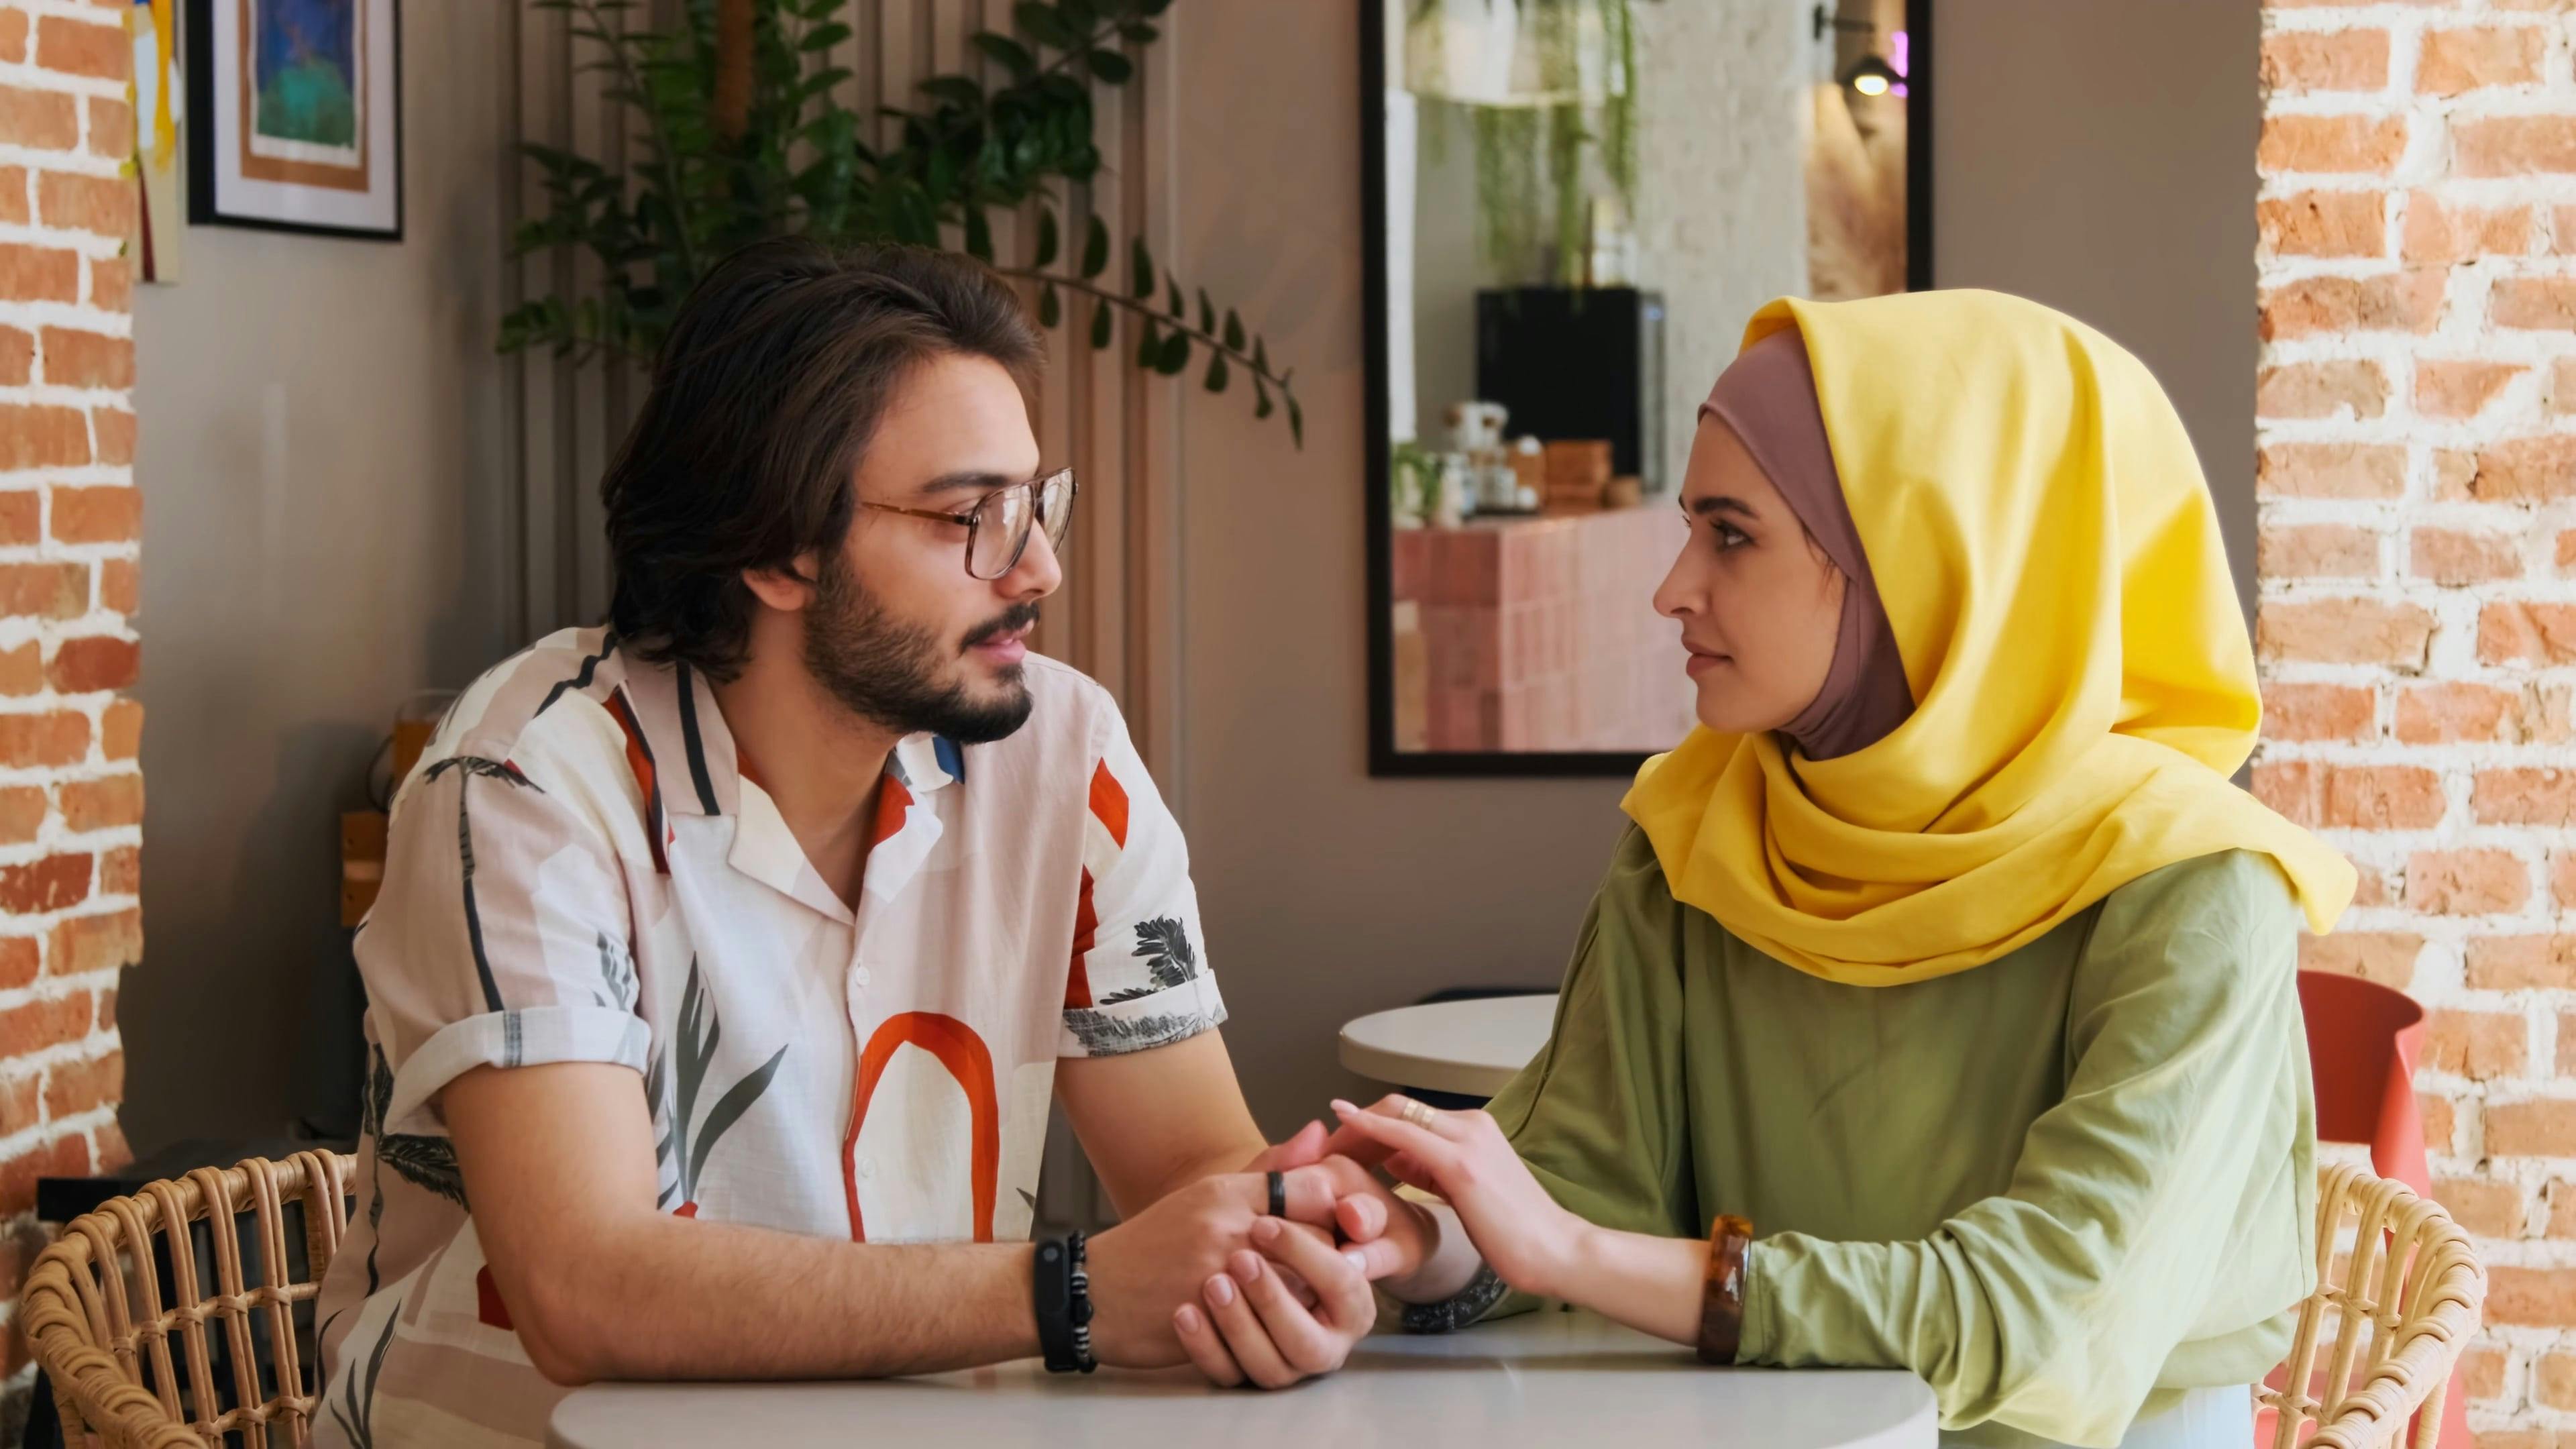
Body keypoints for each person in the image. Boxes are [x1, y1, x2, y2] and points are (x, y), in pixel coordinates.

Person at [313, 239, 1377, 1447]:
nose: (1040, 567)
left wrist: (1292, 1252)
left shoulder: (1059, 751)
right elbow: (585, 1289)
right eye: (971, 516)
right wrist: (1072, 1294)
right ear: (778, 549)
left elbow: (1193, 1162)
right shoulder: (520, 786)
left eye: (1035, 504)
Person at [1295, 291, 2357, 1449]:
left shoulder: (2191, 886)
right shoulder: (1698, 829)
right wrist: (1424, 1241)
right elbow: (1578, 1187)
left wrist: (1584, 1256)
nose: (1673, 589)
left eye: (1731, 535)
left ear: (1923, 561)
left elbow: (2048, 1318)